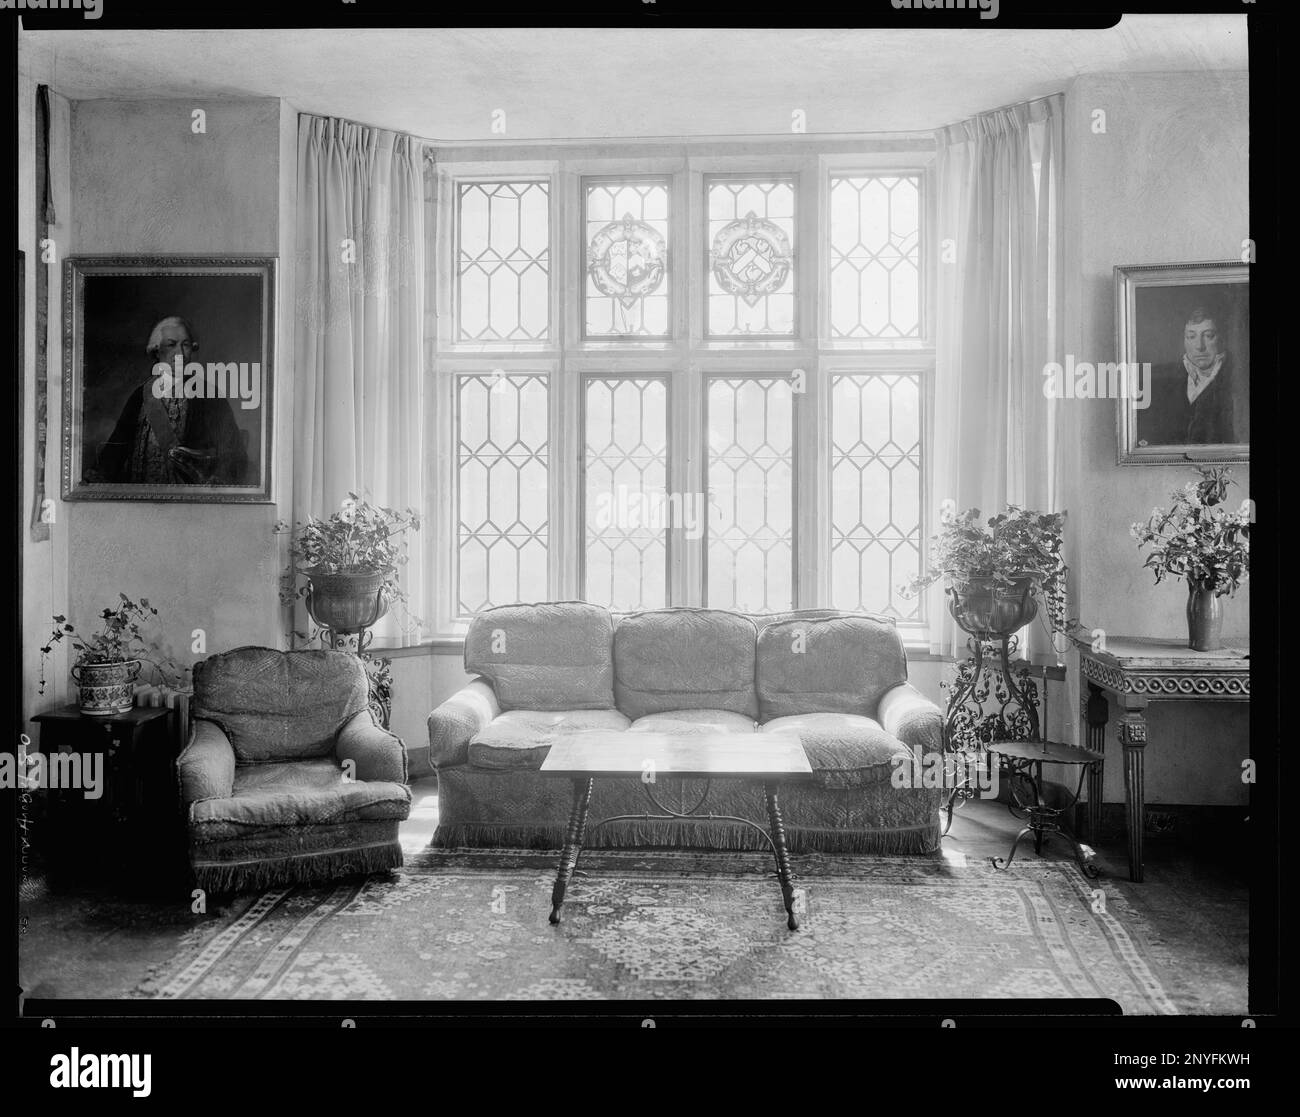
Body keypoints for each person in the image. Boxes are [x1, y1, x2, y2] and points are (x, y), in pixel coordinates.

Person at [92, 316, 249, 485]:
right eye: (171, 344)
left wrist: (216, 481)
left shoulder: (209, 396)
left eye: (186, 345)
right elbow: (114, 454)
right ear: (157, 351)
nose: (180, 353)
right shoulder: (140, 396)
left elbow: (233, 452)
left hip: (190, 501)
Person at [1140, 305, 1248, 448]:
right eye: (1191, 336)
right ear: (1184, 341)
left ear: (1222, 339)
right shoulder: (1161, 378)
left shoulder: (1238, 379)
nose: (1199, 346)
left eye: (1208, 335)